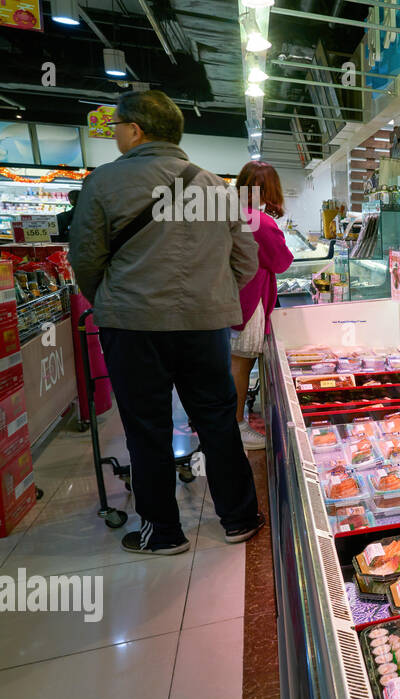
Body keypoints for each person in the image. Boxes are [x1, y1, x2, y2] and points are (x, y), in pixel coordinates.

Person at [69, 90, 262, 555]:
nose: (115, 133)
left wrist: (114, 299)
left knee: (146, 427)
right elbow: (247, 259)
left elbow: (86, 260)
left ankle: (164, 532)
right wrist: (211, 296)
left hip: (133, 326)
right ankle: (237, 518)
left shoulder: (105, 183)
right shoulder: (215, 186)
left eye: (117, 126)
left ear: (135, 129)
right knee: (217, 419)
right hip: (203, 326)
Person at [230, 161, 294, 450]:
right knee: (240, 364)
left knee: (233, 363)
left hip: (226, 300)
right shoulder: (259, 221)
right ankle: (237, 426)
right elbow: (281, 261)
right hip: (246, 301)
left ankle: (232, 422)